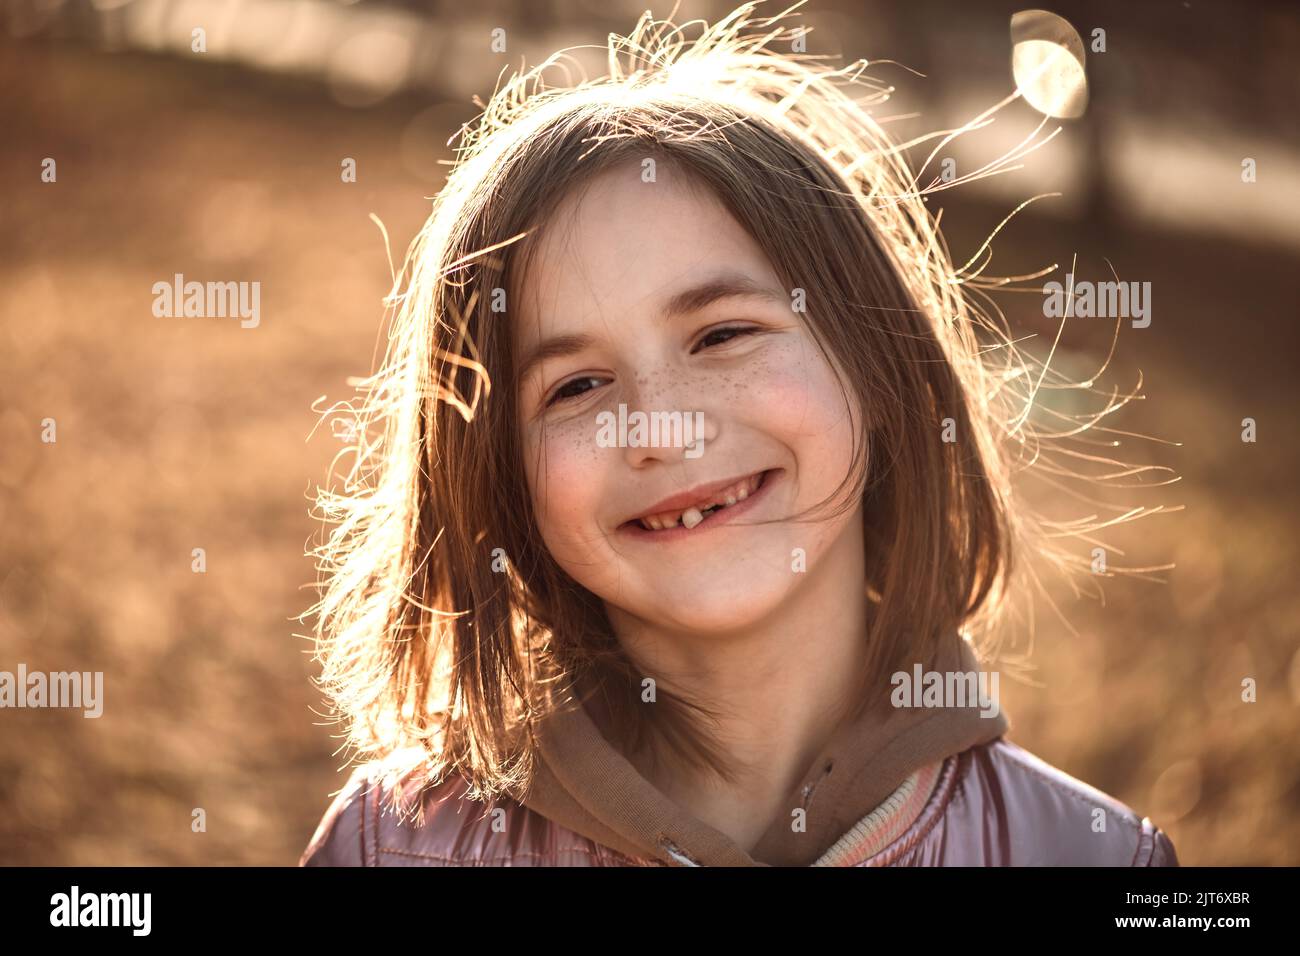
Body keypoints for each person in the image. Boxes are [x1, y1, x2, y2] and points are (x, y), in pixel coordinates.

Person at [299, 1, 1178, 867]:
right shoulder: (395, 847)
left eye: (723, 335)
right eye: (575, 386)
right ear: (496, 475)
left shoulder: (1089, 857)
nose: (662, 427)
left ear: (876, 364)